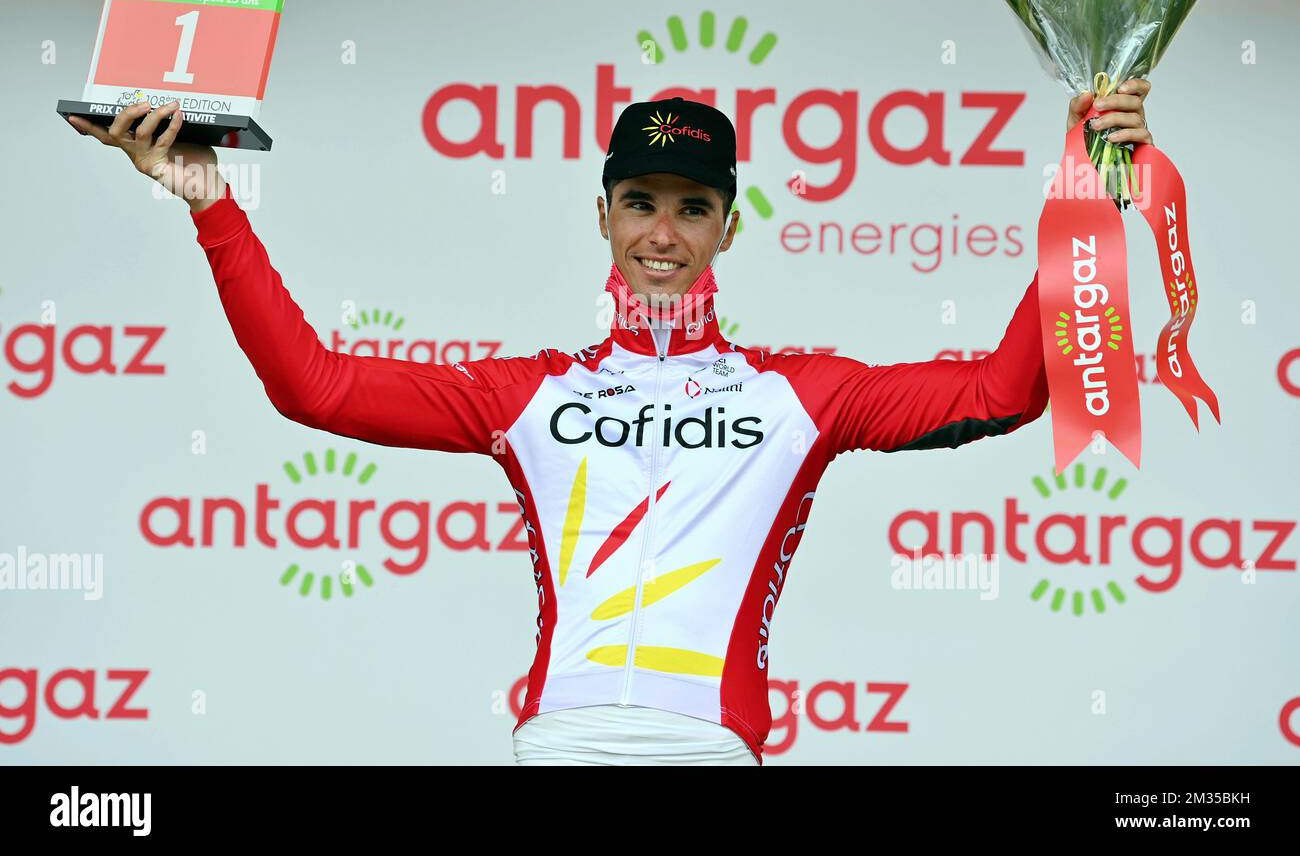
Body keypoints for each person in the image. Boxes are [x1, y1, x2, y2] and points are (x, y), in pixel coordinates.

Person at [67, 82, 1153, 766]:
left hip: (710, 749)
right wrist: (210, 198)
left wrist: (1090, 179)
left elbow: (1005, 389)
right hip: (560, 744)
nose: (663, 234)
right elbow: (315, 386)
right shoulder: (531, 393)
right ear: (602, 215)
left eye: (691, 206)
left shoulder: (798, 392)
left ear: (730, 222)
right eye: (641, 202)